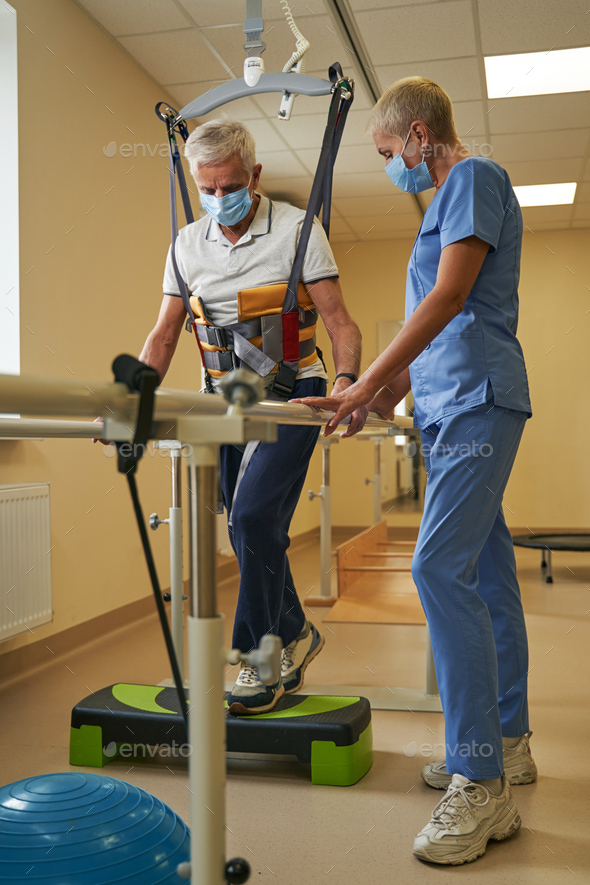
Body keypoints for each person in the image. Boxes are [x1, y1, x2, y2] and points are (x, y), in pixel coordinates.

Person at [294, 77, 537, 865]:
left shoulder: (471, 177)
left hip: (476, 401)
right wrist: (374, 396)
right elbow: (430, 327)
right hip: (448, 406)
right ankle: (505, 742)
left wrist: (365, 380)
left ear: (420, 135)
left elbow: (451, 298)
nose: (389, 164)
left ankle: (480, 778)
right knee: (486, 570)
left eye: (388, 150)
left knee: (435, 567)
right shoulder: (440, 205)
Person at [138, 118, 366, 715]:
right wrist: (129, 403)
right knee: (248, 530)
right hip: (224, 399)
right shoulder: (186, 244)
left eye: (231, 185)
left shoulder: (297, 230)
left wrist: (346, 383)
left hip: (295, 396)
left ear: (255, 175)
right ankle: (297, 631)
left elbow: (340, 323)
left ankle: (257, 657)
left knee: (253, 515)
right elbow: (164, 335)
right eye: (207, 188)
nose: (219, 198)